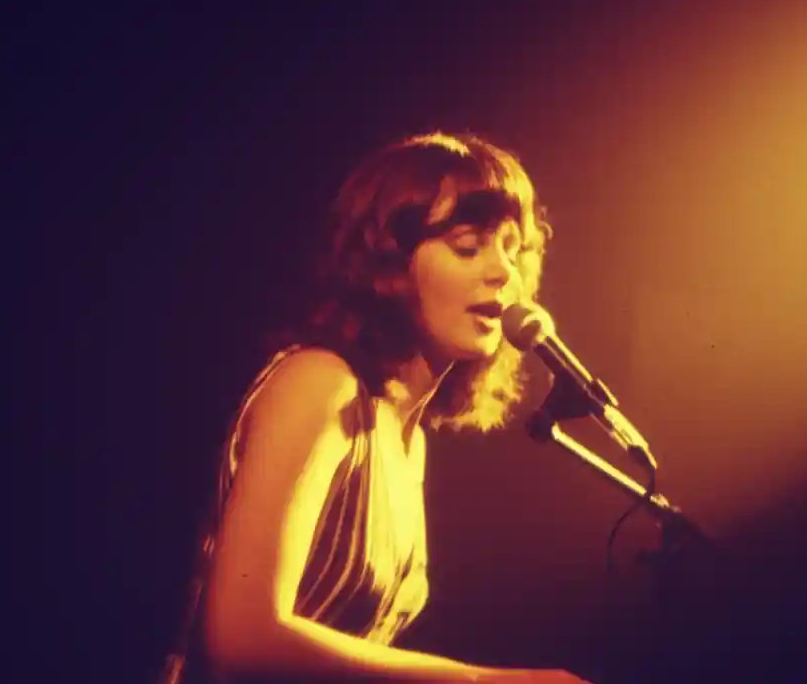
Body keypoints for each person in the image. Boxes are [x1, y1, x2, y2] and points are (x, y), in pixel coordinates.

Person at [161, 132, 592, 683]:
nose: (504, 272)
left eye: (514, 249)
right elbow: (241, 635)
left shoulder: (407, 438)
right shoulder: (321, 384)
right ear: (387, 265)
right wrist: (487, 682)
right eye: (468, 246)